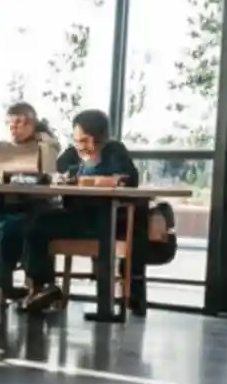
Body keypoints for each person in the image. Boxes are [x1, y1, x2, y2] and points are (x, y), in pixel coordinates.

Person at [21, 109, 139, 314]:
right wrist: (63, 177)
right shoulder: (72, 153)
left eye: (92, 141)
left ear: (102, 138)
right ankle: (45, 286)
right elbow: (58, 172)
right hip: (77, 216)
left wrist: (105, 180)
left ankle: (105, 307)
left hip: (106, 221)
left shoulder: (114, 151)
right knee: (36, 225)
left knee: (47, 224)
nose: (88, 147)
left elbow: (129, 179)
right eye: (81, 141)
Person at [0, 102, 63, 301]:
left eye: (20, 123)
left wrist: (46, 142)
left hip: (34, 208)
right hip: (7, 203)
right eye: (10, 123)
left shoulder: (45, 147)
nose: (13, 128)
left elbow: (49, 176)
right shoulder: (1, 149)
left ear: (32, 124)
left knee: (1, 230)